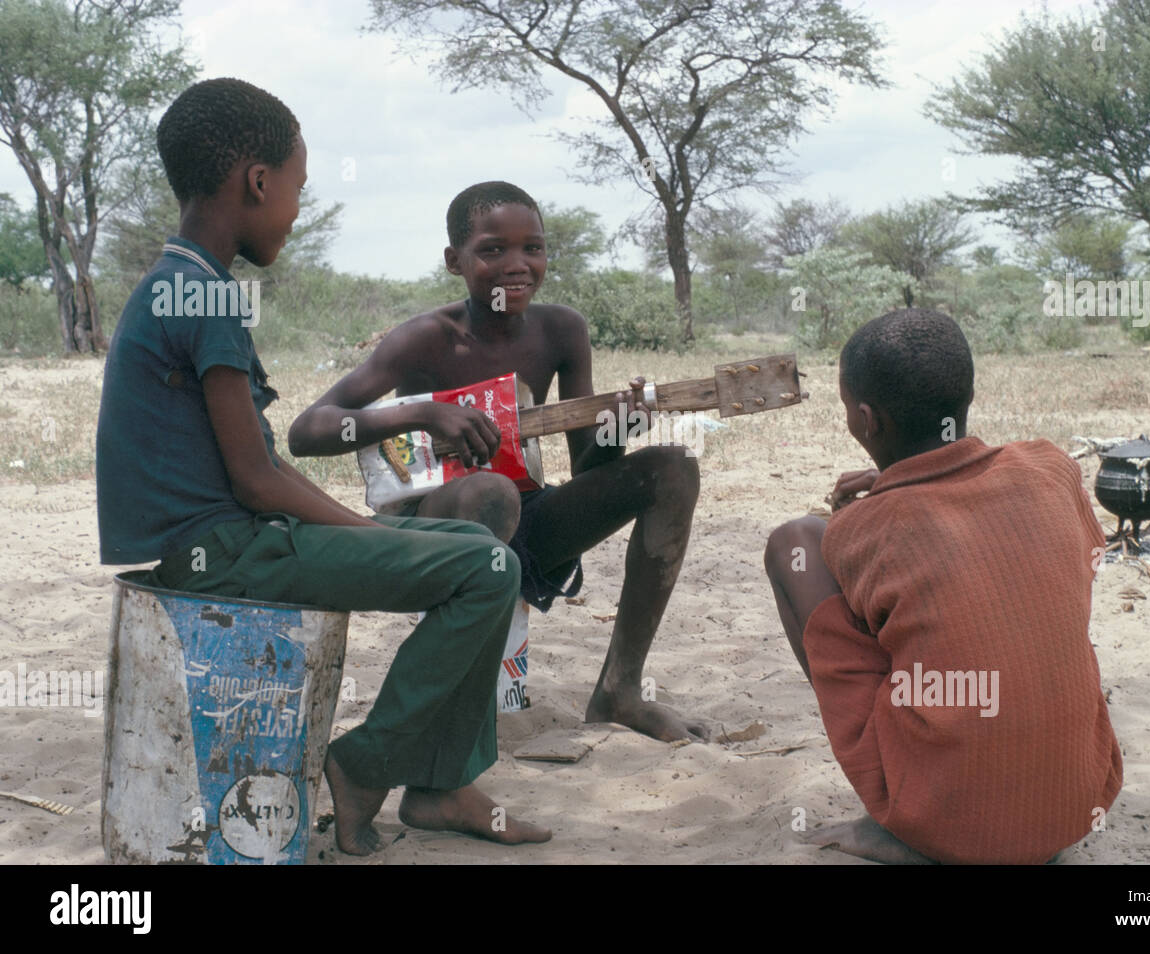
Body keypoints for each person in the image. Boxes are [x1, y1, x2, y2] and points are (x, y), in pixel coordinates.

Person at [94, 79, 549, 856]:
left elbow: (255, 468)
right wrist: (364, 528)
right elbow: (257, 478)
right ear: (258, 182)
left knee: (482, 559)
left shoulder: (178, 285)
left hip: (226, 542)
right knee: (486, 569)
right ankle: (372, 766)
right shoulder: (205, 299)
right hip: (229, 552)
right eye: (298, 190)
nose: (299, 210)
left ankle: (439, 789)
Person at [289, 181, 707, 743]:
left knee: (674, 468)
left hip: (529, 517)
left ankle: (620, 690)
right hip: (440, 528)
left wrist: (618, 429)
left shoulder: (562, 331)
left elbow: (587, 467)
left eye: (532, 248)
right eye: (492, 250)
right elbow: (307, 431)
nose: (517, 266)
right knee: (490, 492)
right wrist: (422, 417)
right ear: (453, 260)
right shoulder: (425, 339)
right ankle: (454, 707)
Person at [763, 308, 1123, 864]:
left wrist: (879, 495)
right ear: (968, 394)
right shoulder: (1053, 469)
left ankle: (899, 818)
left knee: (794, 542)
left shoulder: (863, 527)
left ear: (865, 419)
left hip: (945, 823)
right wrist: (896, 480)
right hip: (1075, 805)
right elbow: (981, 527)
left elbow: (875, 581)